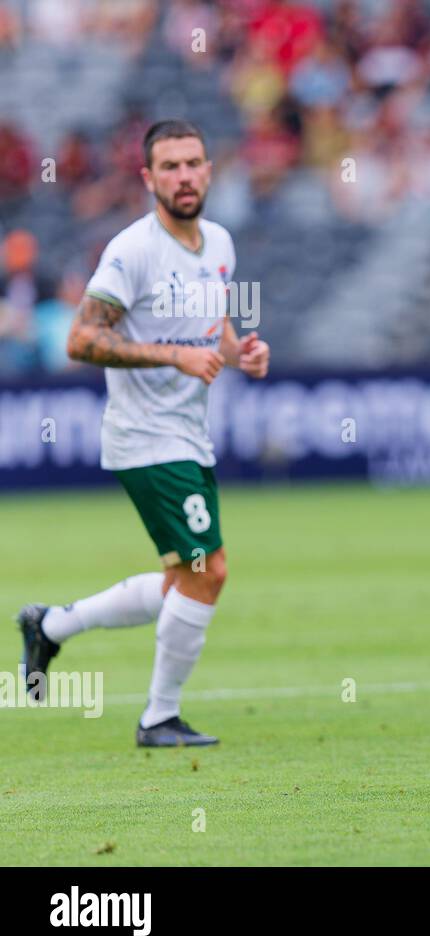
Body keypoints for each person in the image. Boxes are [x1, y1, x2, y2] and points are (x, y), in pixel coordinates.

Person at [16, 120, 271, 747]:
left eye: (193, 163)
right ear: (148, 178)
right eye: (170, 166)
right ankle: (159, 717)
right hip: (144, 436)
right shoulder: (132, 250)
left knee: (179, 579)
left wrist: (242, 353)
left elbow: (218, 323)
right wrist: (173, 357)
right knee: (208, 571)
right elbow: (82, 339)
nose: (184, 176)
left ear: (209, 170)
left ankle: (51, 625)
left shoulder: (220, 243)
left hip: (188, 432)